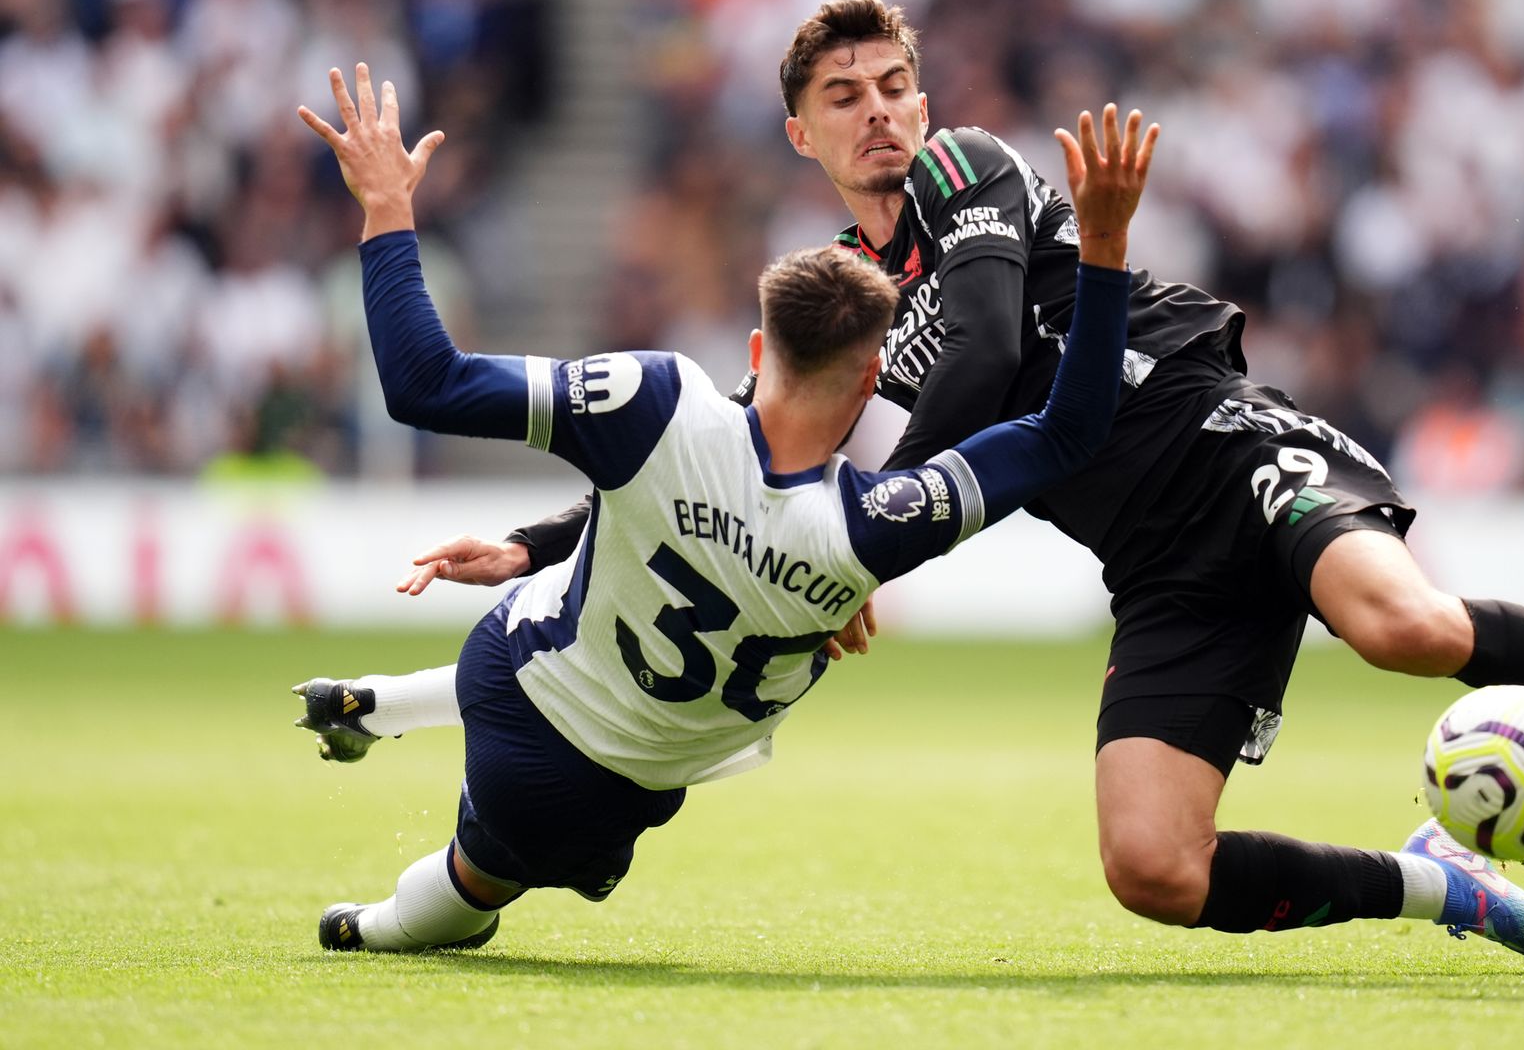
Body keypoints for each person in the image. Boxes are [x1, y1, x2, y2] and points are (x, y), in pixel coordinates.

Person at [408, 0, 1524, 970]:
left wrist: (845, 547)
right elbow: (724, 455)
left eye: (895, 84)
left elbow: (970, 353)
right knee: (1153, 871)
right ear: (801, 135)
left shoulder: (973, 173)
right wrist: (545, 542)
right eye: (844, 99)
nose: (882, 114)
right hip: (1151, 568)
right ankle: (1442, 886)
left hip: (1229, 446)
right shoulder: (837, 291)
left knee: (1402, 627)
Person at [290, 62, 1153, 952]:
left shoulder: (655, 404)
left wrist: (387, 207)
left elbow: (427, 383)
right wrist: (1104, 248)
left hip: (515, 677)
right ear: (871, 381)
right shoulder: (868, 532)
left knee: (602, 579)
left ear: (755, 345)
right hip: (619, 790)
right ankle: (373, 903)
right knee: (478, 881)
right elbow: (1068, 430)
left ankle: (382, 710)